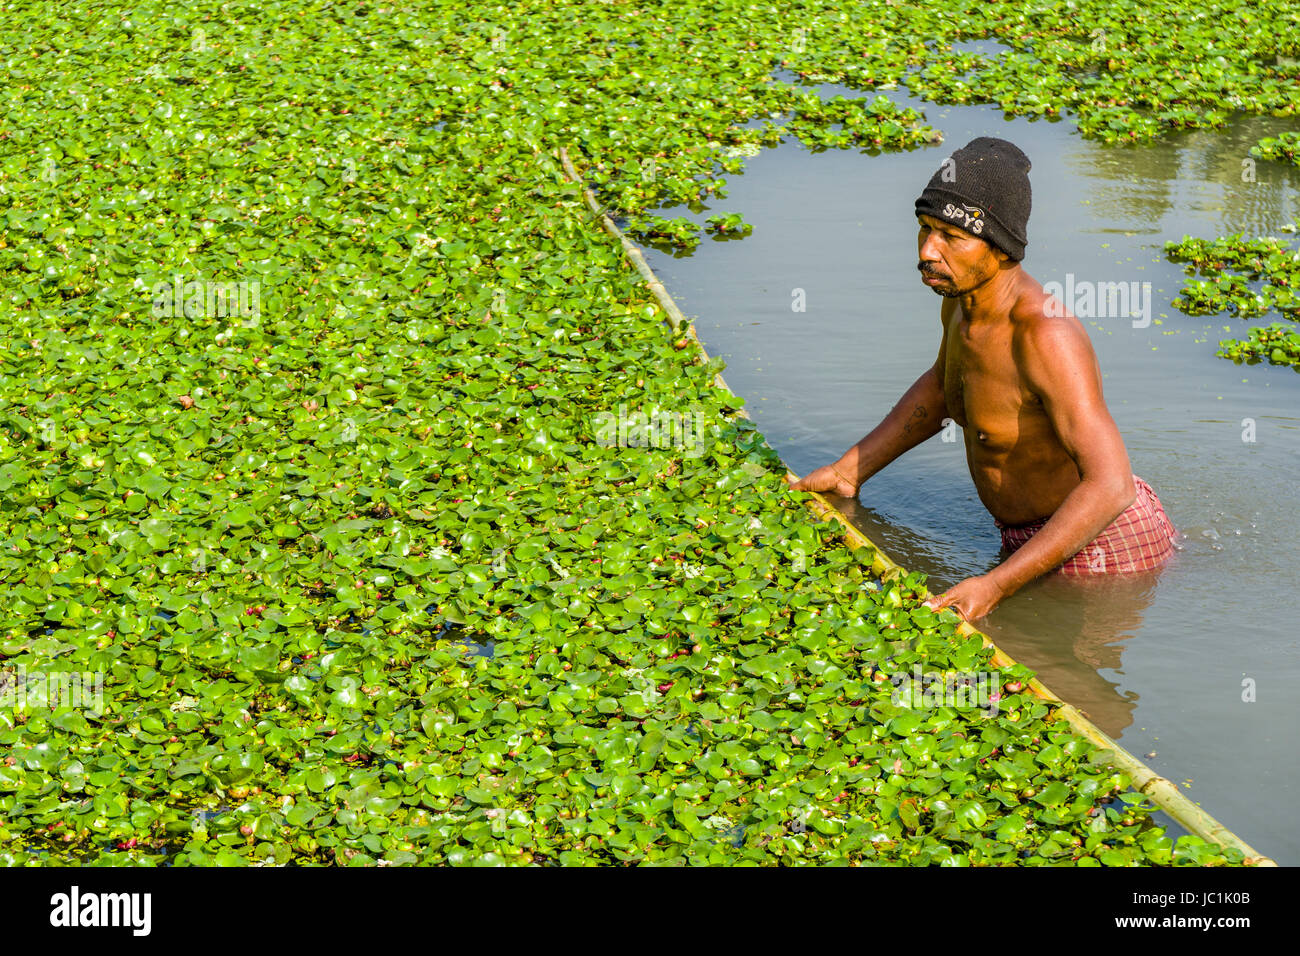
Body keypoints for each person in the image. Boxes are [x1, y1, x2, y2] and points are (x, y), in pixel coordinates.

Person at [787, 137, 1178, 621]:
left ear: (1002, 251)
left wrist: (994, 584)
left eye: (952, 237)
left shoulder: (1044, 334)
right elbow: (943, 389)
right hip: (1023, 535)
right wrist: (849, 471)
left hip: (1102, 552)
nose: (928, 251)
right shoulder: (959, 301)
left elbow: (1112, 486)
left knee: (1057, 683)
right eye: (925, 229)